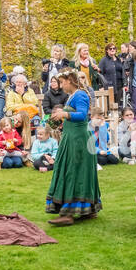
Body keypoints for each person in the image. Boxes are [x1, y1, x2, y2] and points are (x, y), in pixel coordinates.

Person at [44, 70, 101, 225]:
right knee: (77, 173)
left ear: (70, 80)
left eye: (62, 82)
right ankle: (86, 210)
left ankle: (68, 214)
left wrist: (64, 114)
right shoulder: (72, 96)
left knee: (72, 173)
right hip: (72, 138)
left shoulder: (80, 94)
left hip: (79, 141)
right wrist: (60, 117)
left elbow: (83, 115)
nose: (61, 86)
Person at [99, 41, 126, 110]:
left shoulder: (118, 59)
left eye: (114, 48)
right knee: (110, 105)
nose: (112, 50)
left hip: (119, 86)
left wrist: (124, 84)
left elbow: (122, 72)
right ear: (107, 50)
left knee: (118, 104)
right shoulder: (104, 60)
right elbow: (99, 73)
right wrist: (101, 86)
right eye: (110, 49)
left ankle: (117, 118)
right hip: (109, 86)